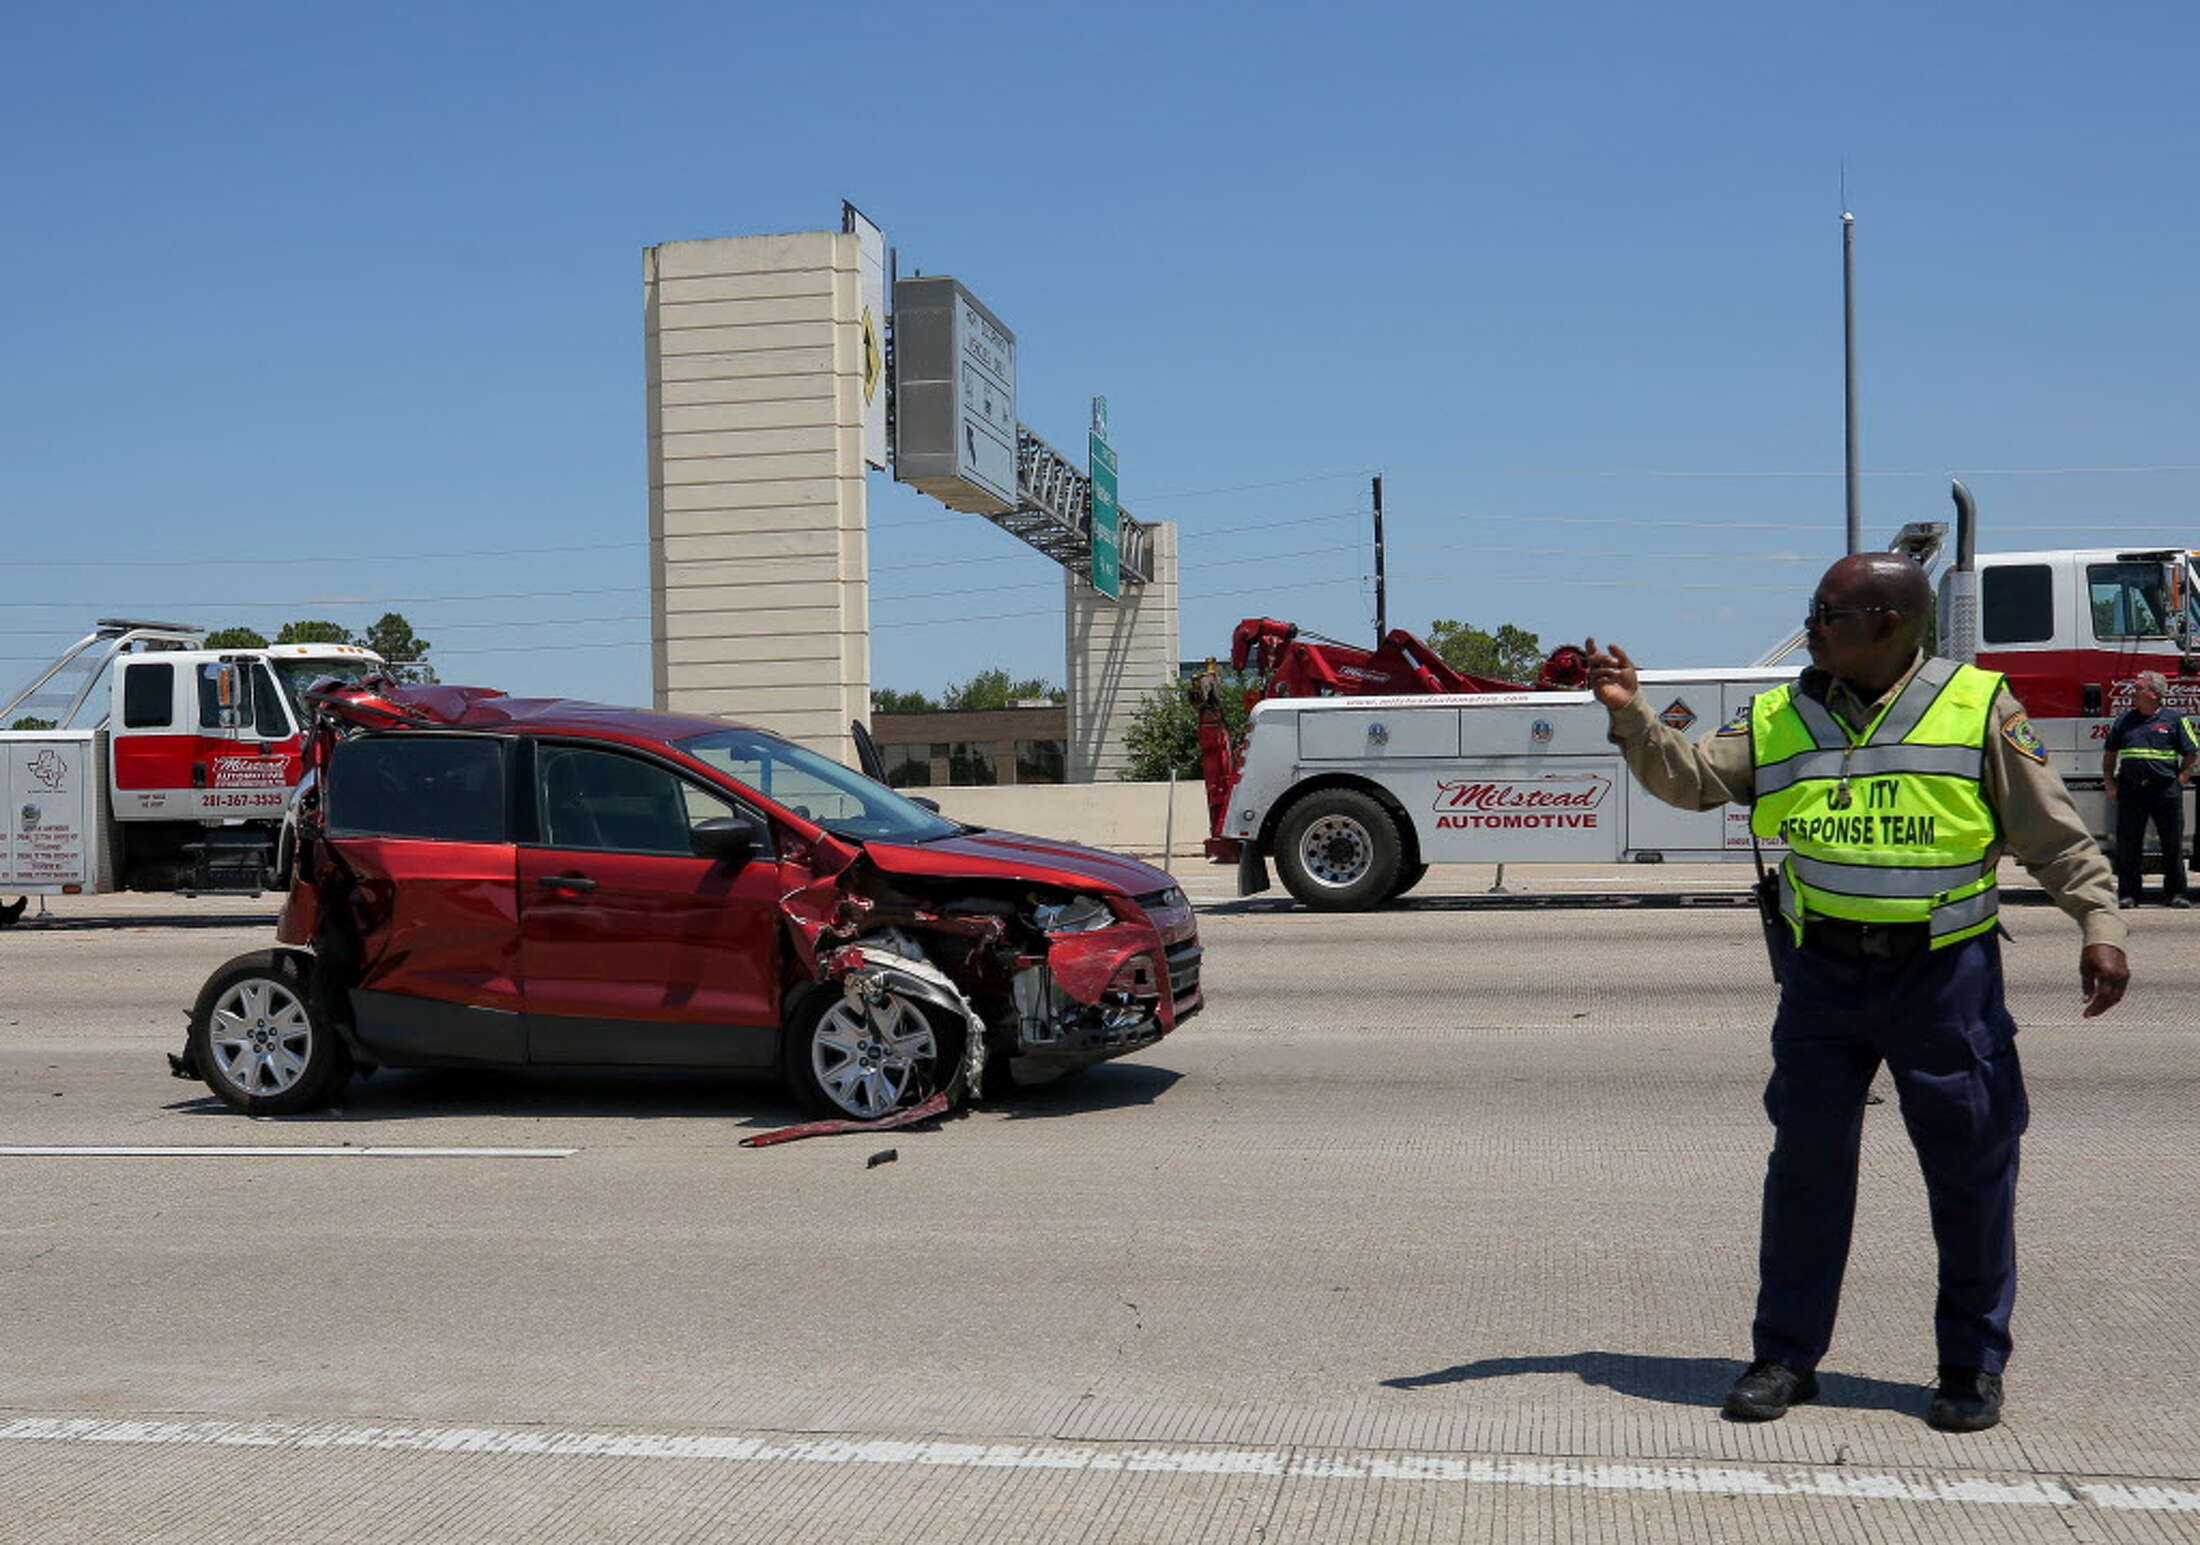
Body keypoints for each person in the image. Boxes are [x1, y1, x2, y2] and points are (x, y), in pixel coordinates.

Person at [1585, 552, 2129, 1434]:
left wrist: (2099, 925)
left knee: (1972, 1171)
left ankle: (1970, 1366)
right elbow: (1688, 779)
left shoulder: (1976, 706)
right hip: (1823, 978)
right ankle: (1786, 1356)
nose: (1811, 625)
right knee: (1804, 1170)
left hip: (1945, 976)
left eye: (1827, 611)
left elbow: (2051, 835)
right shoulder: (1782, 713)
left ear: (1886, 622)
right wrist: (1633, 715)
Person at [2100, 670, 2197, 908]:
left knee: (2172, 844)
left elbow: (2190, 753)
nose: (2132, 693)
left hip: (2165, 791)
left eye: (2138, 688)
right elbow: (2110, 755)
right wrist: (2110, 782)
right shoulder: (2125, 720)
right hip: (2132, 791)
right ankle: (2128, 894)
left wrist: (2181, 779)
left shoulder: (2174, 719)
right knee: (2128, 844)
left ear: (2153, 694)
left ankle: (2177, 893)